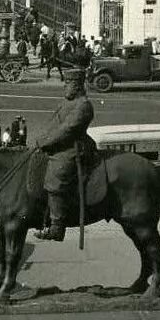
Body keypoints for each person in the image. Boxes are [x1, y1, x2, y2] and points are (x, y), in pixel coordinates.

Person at [35, 69, 96, 242]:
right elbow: (55, 124)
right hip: (63, 144)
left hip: (74, 147)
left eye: (68, 83)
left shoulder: (83, 105)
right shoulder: (68, 102)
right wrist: (42, 138)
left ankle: (57, 227)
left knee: (57, 175)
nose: (65, 86)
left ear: (77, 86)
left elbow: (67, 129)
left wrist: (47, 143)